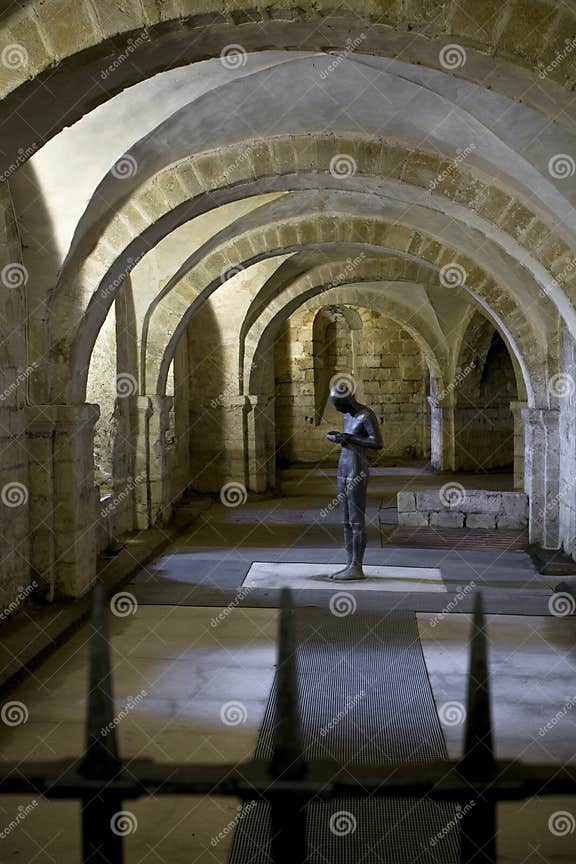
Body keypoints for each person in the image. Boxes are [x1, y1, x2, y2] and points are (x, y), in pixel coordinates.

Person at [326, 381, 383, 580]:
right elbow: (348, 437)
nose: (338, 409)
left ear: (348, 400)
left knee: (356, 521)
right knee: (345, 522)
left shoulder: (366, 415)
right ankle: (349, 563)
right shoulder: (347, 415)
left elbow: (377, 442)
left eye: (339, 405)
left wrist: (349, 438)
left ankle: (357, 567)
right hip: (343, 468)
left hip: (357, 470)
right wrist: (341, 438)